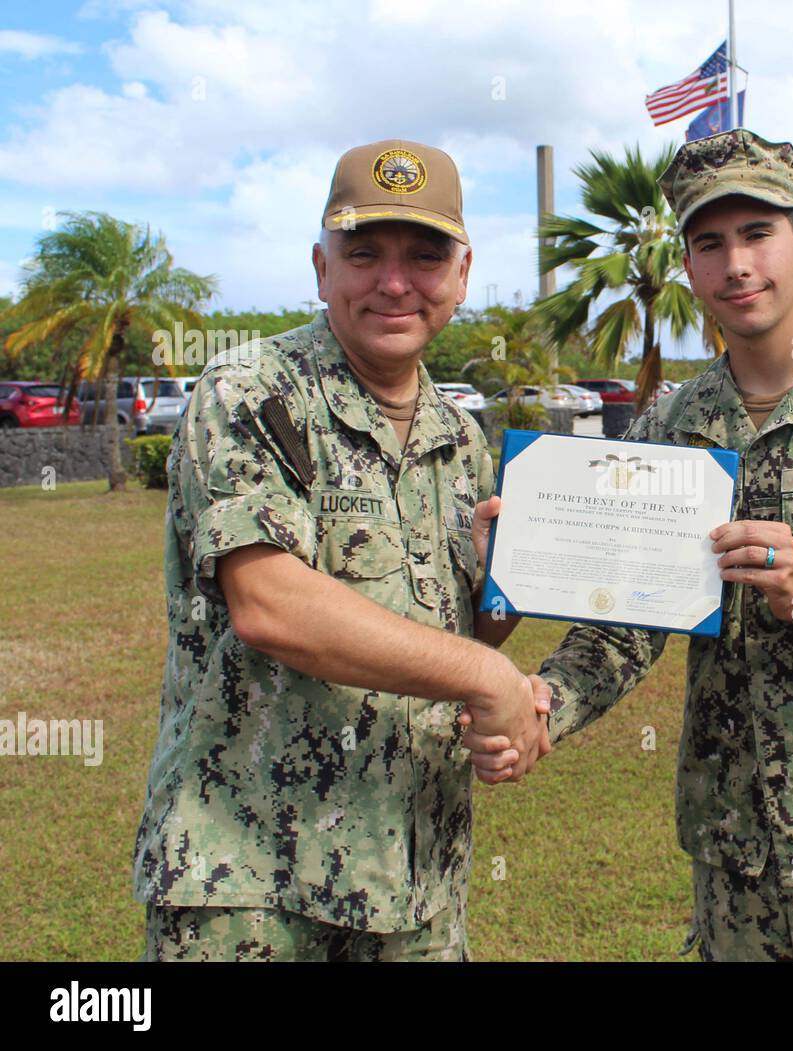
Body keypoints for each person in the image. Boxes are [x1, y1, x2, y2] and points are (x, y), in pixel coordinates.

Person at [463, 129, 793, 961]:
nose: (736, 264)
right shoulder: (668, 429)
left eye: (758, 234)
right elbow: (625, 621)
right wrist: (545, 704)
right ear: (689, 267)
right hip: (735, 857)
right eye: (710, 244)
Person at [132, 139, 550, 962]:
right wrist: (486, 676)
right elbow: (270, 604)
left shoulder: (461, 438)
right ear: (322, 269)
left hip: (415, 879)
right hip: (251, 886)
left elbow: (441, 634)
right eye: (364, 254)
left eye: (425, 256)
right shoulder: (249, 389)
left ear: (462, 276)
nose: (395, 282)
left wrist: (501, 594)